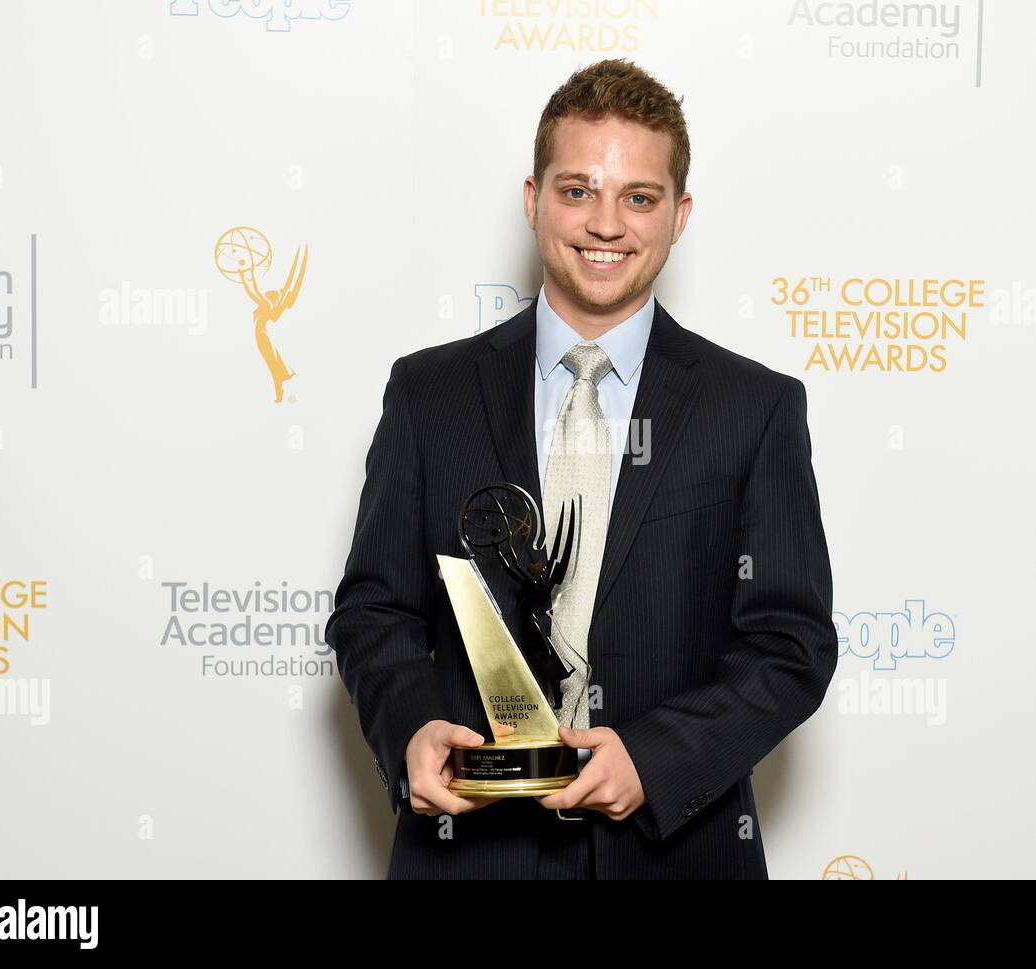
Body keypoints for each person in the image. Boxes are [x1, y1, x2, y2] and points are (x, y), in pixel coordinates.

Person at [324, 58, 837, 879]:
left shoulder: (756, 408)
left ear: (679, 215)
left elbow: (790, 644)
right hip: (470, 856)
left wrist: (654, 759)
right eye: (576, 191)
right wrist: (412, 728)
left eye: (639, 197)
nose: (607, 224)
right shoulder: (429, 393)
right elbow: (375, 610)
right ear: (532, 202)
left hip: (676, 855)